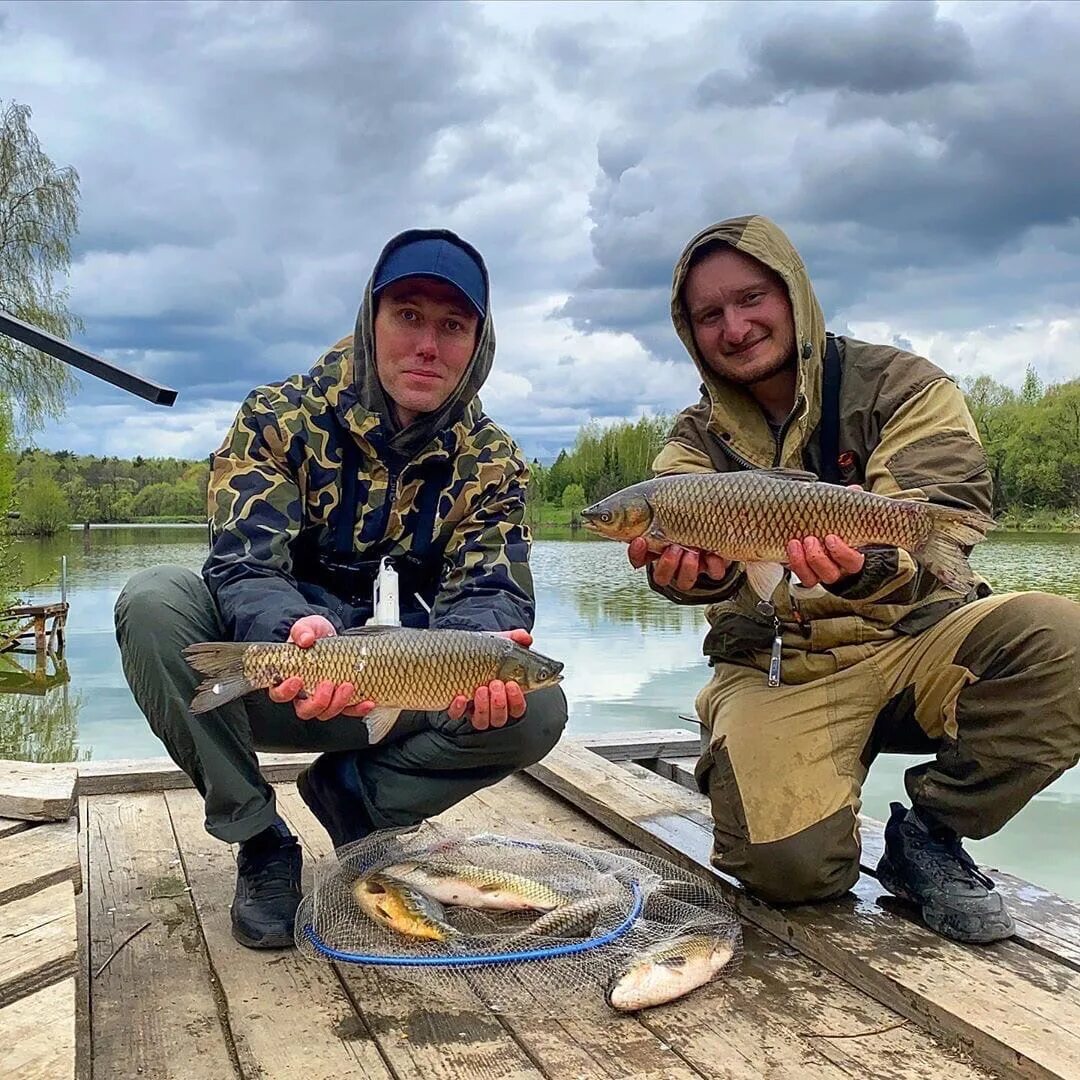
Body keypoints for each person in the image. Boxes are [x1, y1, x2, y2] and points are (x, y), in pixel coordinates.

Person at [630, 214, 1080, 943]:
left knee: (1066, 638)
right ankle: (791, 787)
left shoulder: (903, 385)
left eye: (752, 299)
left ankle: (932, 833)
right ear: (689, 331)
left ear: (795, 295)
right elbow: (694, 575)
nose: (735, 327)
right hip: (780, 668)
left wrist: (864, 562)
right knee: (790, 872)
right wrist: (686, 578)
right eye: (709, 314)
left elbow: (949, 510)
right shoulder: (693, 441)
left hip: (911, 646)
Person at [114, 230, 567, 948]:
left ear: (479, 342)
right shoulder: (276, 417)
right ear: (371, 320)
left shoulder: (494, 461)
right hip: (288, 677)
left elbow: (493, 590)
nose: (428, 345)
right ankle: (260, 840)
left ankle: (351, 798)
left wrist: (486, 650)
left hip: (408, 689)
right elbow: (243, 565)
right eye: (409, 316)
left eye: (453, 326)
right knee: (154, 601)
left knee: (537, 713)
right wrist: (292, 638)